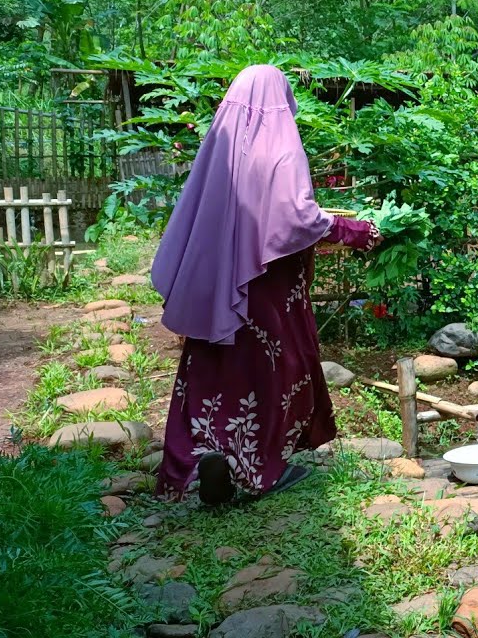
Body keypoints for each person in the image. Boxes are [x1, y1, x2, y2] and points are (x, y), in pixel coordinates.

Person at [150, 64, 379, 505]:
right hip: (266, 283)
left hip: (217, 283)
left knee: (212, 362)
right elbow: (297, 218)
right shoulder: (283, 150)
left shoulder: (220, 144)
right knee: (273, 368)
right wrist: (354, 230)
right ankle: (258, 470)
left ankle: (199, 459)